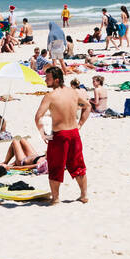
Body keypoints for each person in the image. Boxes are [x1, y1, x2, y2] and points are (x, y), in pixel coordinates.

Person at [34, 66, 90, 204]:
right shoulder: (73, 93)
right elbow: (88, 106)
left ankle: (56, 198)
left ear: (57, 80)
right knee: (78, 165)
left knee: (55, 167)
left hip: (60, 135)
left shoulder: (50, 96)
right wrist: (80, 124)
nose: (45, 80)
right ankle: (84, 195)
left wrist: (43, 134)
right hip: (74, 133)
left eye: (48, 78)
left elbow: (38, 116)